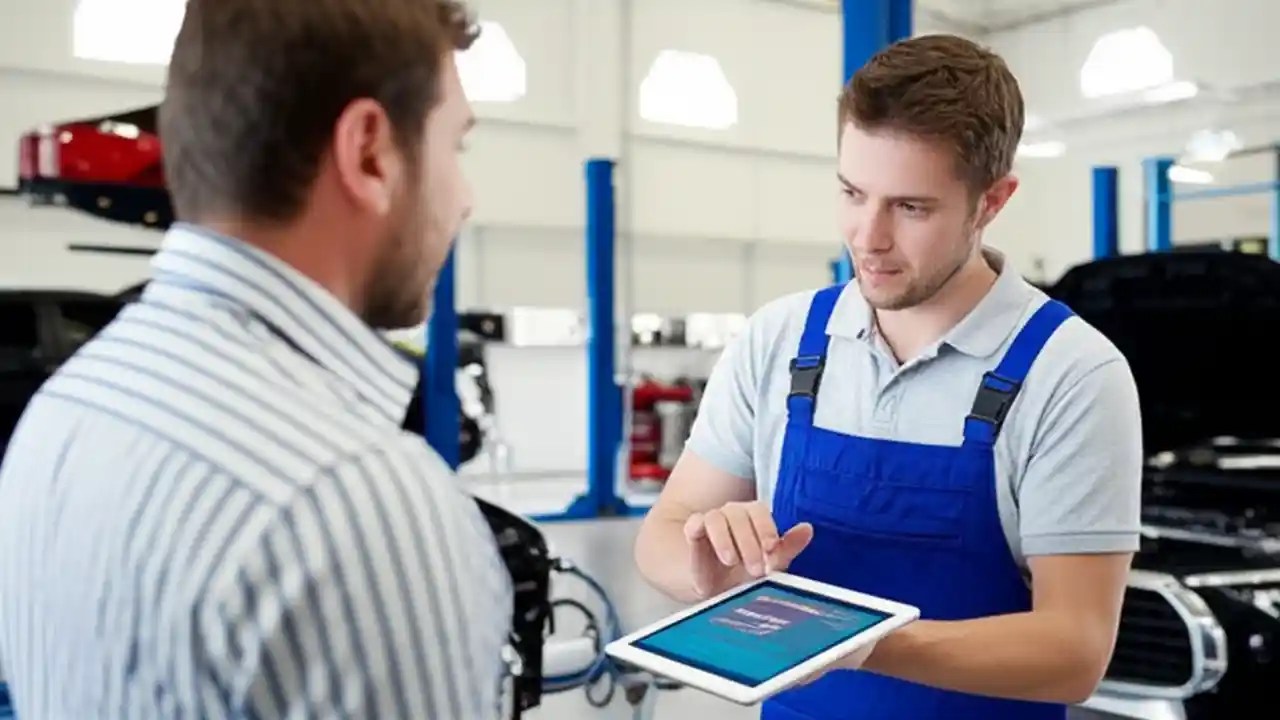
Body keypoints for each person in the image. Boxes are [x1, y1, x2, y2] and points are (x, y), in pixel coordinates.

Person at [0, 1, 514, 718]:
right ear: (369, 152)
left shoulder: (67, 408)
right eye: (454, 147)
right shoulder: (358, 506)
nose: (465, 198)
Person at [634, 33, 1143, 720]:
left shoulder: (1073, 376)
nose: (867, 237)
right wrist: (705, 569)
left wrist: (862, 645)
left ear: (992, 201)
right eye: (851, 191)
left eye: (910, 207)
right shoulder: (779, 341)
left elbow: (1074, 649)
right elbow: (663, 530)